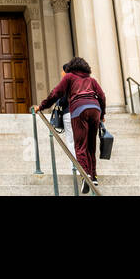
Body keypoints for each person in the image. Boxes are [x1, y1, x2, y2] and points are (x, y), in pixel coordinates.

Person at [39, 57, 105, 191]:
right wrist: (102, 115)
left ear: (71, 68)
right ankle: (94, 177)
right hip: (95, 110)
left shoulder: (69, 77)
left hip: (79, 109)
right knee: (91, 146)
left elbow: (56, 93)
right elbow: (102, 96)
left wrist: (42, 106)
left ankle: (85, 175)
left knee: (80, 145)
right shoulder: (91, 80)